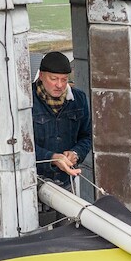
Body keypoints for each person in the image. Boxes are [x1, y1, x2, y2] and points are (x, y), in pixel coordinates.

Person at [32, 51, 93, 189]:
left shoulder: (79, 99)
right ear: (41, 75)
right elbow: (21, 146)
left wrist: (76, 153)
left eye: (64, 79)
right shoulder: (27, 102)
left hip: (66, 183)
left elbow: (87, 136)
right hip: (32, 183)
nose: (59, 85)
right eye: (53, 79)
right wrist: (52, 157)